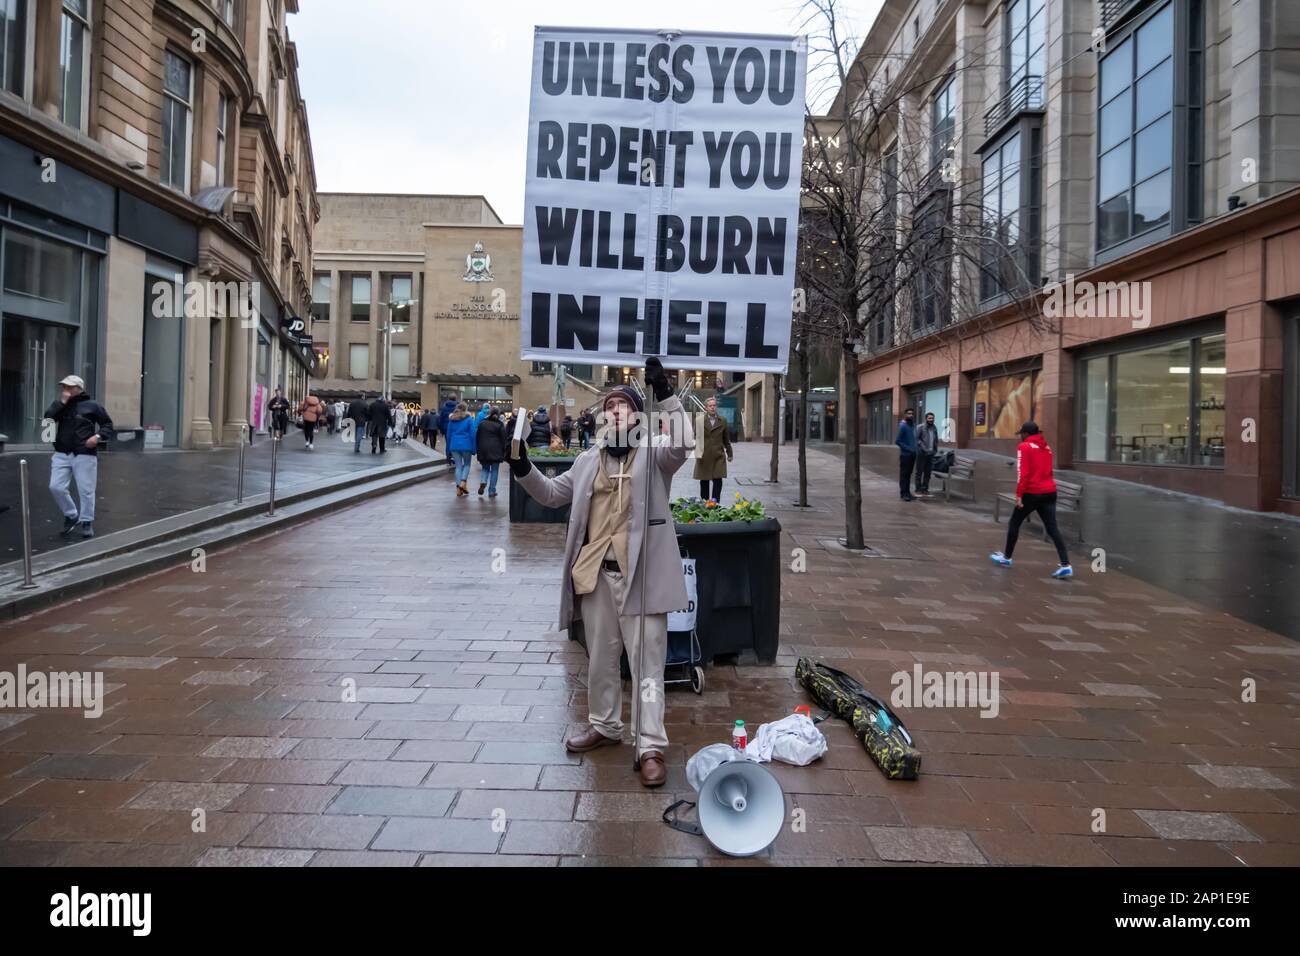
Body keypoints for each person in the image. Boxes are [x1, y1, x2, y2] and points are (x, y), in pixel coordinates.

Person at [509, 357, 692, 788]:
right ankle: (605, 726)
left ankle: (649, 745)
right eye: (608, 406)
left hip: (642, 577)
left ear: (636, 415)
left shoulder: (655, 456)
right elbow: (553, 495)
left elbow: (684, 442)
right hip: (595, 576)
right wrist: (521, 467)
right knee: (602, 662)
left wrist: (664, 390)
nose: (614, 411)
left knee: (648, 666)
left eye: (623, 406)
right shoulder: (588, 461)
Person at [990, 422, 1073, 578]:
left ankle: (1007, 558)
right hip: (1049, 492)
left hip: (1032, 493)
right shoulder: (1046, 447)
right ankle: (1065, 565)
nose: (1020, 436)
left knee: (1014, 523)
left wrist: (1019, 495)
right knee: (1052, 528)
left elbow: (1023, 473)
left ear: (1026, 434)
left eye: (1022, 433)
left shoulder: (1024, 447)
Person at [45, 374, 113, 539]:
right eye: (64, 387)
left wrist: (96, 438)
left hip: (84, 453)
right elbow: (47, 418)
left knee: (86, 490)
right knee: (56, 486)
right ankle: (71, 514)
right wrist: (61, 403)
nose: (65, 390)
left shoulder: (93, 406)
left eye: (69, 387)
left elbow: (108, 425)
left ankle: (86, 521)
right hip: (61, 453)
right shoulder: (61, 405)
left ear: (79, 388)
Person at [693, 396, 733, 501]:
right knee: (704, 482)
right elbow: (697, 438)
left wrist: (730, 454)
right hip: (704, 456)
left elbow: (726, 439)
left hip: (718, 456)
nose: (712, 408)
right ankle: (705, 504)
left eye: (714, 405)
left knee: (718, 481)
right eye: (710, 406)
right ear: (706, 408)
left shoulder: (722, 421)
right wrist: (697, 453)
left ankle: (715, 504)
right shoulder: (699, 421)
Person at [446, 402, 478, 496]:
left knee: (458, 466)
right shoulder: (469, 419)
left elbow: (448, 435)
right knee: (467, 465)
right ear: (466, 409)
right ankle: (463, 483)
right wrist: (474, 447)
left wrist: (448, 448)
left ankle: (458, 488)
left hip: (454, 445)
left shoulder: (451, 420)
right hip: (466, 445)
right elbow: (472, 434)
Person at [475, 407, 508, 497]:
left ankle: (483, 481)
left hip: (483, 449)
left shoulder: (482, 423)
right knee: (494, 470)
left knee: (485, 468)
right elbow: (504, 439)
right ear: (498, 414)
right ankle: (491, 491)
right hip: (496, 450)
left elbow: (477, 437)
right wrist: (504, 450)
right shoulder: (500, 424)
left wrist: (478, 448)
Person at [915, 411, 940, 497]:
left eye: (932, 418)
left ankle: (925, 489)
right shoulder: (920, 427)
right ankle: (918, 489)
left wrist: (935, 449)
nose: (931, 420)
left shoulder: (934, 428)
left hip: (931, 453)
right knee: (919, 472)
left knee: (928, 472)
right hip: (922, 453)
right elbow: (917, 439)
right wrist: (923, 448)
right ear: (926, 419)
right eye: (929, 418)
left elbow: (936, 439)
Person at [895, 408, 917, 502]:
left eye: (912, 413)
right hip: (905, 455)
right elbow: (898, 441)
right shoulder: (903, 426)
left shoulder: (912, 426)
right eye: (909, 413)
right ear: (905, 415)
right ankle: (903, 494)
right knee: (904, 475)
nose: (911, 415)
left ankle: (908, 493)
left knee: (908, 474)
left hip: (912, 455)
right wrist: (909, 449)